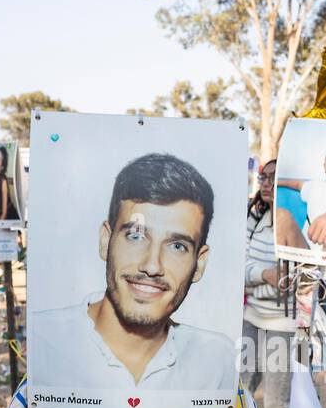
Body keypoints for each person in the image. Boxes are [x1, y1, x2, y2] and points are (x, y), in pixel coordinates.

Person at [28, 152, 235, 393]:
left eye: (177, 246)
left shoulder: (218, 361)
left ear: (199, 264)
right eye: (136, 236)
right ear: (106, 241)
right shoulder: (42, 341)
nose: (152, 266)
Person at [241, 159, 293, 408]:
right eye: (264, 176)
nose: (266, 183)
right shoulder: (254, 216)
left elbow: (295, 277)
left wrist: (261, 275)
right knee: (240, 392)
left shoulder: (295, 221)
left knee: (275, 407)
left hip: (282, 327)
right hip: (251, 318)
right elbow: (239, 267)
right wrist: (264, 274)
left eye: (274, 177)